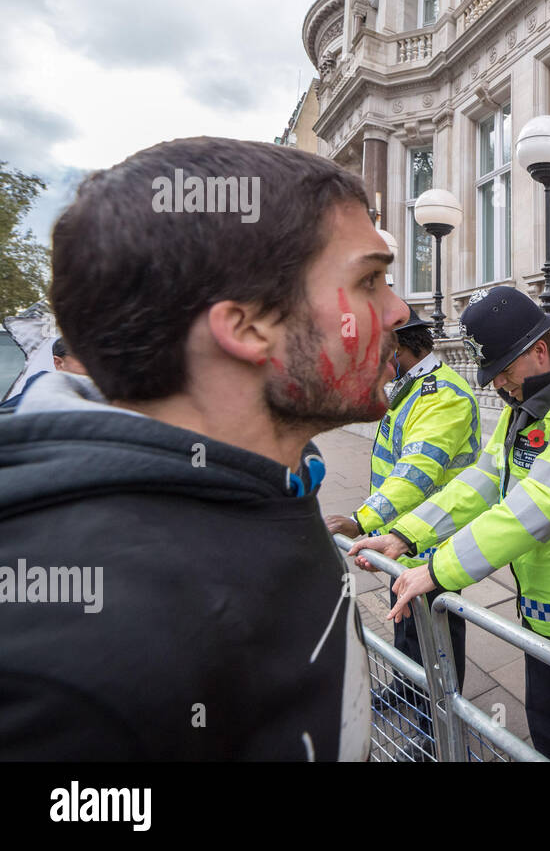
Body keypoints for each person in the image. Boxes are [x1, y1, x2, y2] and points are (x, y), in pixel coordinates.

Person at [0, 136, 396, 760]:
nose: (398, 309)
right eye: (370, 279)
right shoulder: (69, 659)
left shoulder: (272, 482)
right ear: (245, 328)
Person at [349, 286, 550, 762]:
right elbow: (482, 481)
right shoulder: (522, 410)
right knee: (548, 733)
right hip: (540, 610)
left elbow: (536, 507)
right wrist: (405, 535)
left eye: (504, 371)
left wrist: (438, 570)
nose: (498, 386)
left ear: (538, 350)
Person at [324, 305, 481, 693]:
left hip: (435, 539)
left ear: (397, 346)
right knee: (405, 623)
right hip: (404, 536)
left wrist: (361, 520)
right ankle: (404, 691)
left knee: (435, 634)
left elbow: (416, 471)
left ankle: (437, 719)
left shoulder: (443, 395)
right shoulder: (411, 387)